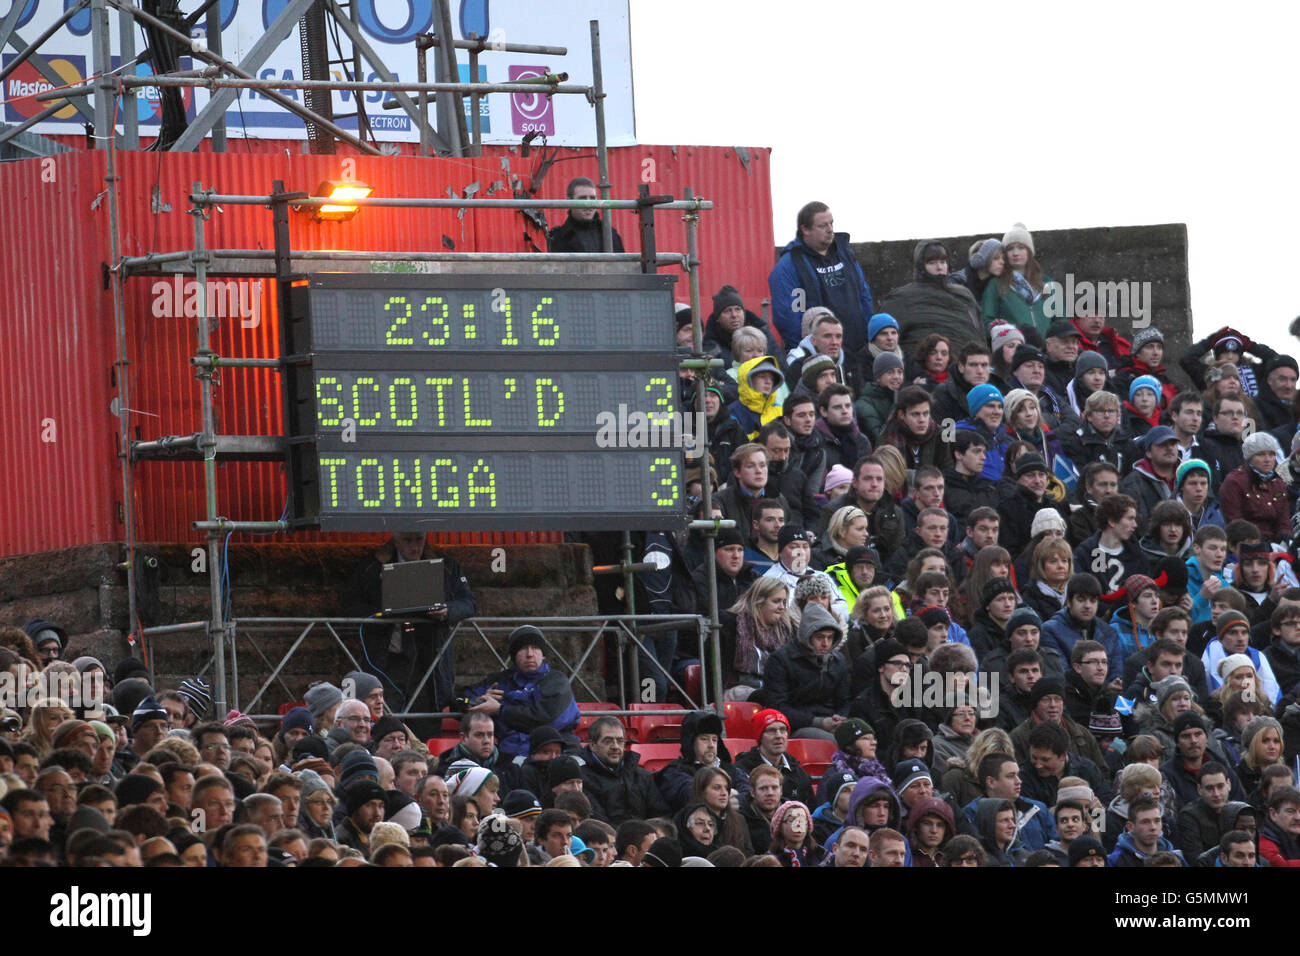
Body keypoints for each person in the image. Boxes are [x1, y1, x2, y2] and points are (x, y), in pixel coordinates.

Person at [341, 531, 476, 732]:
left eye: (419, 540)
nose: (414, 546)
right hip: (387, 661)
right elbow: (349, 604)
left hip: (430, 663)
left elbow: (469, 603)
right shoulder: (370, 568)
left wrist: (447, 611)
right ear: (395, 539)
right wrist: (383, 614)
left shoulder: (447, 566)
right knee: (386, 724)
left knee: (426, 725)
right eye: (407, 540)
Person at [457, 625, 580, 760]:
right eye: (522, 648)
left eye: (535, 648)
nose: (530, 654)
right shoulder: (500, 681)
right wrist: (479, 700)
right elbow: (459, 701)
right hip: (511, 754)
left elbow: (544, 718)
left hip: (560, 752)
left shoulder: (557, 681)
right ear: (514, 656)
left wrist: (500, 710)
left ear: (543, 654)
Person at [768, 202, 875, 353]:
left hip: (858, 350)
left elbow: (864, 295)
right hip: (818, 357)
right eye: (823, 226)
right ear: (805, 229)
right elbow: (788, 317)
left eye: (831, 224)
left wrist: (867, 335)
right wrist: (810, 351)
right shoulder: (789, 266)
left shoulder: (845, 254)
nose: (830, 230)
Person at [753, 604, 850, 740]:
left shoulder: (838, 661)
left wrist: (840, 719)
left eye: (830, 637)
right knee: (833, 743)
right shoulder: (780, 660)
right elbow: (777, 706)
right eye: (820, 637)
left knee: (865, 740)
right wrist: (818, 722)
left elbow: (844, 701)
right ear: (807, 635)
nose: (825, 643)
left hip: (831, 722)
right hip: (794, 727)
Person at [886, 239, 984, 357]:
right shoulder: (902, 298)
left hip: (965, 367)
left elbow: (979, 332)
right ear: (921, 266)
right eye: (932, 263)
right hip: (920, 369)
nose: (939, 267)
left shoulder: (963, 295)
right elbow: (885, 338)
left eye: (943, 262)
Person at [578, 716, 669, 826]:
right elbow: (598, 825)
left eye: (620, 741)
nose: (615, 746)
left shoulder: (642, 776)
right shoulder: (582, 779)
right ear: (592, 745)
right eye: (608, 741)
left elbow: (662, 817)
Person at [960, 752, 1056, 853]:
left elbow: (1057, 845)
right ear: (991, 782)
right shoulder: (971, 814)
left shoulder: (1038, 809)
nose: (1019, 781)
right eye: (1011, 776)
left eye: (1018, 775)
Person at [655, 711, 750, 812]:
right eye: (704, 739)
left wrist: (737, 800)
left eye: (714, 740)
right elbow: (692, 794)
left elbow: (749, 791)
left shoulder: (730, 769)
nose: (711, 745)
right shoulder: (675, 772)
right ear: (691, 742)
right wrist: (732, 794)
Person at [1041, 574, 1123, 685]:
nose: (1087, 606)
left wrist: (1115, 683)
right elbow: (1061, 674)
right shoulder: (1050, 630)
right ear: (1069, 602)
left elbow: (1116, 671)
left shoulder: (1109, 632)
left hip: (1106, 697)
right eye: (1081, 600)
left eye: (1093, 601)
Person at [720, 575, 794, 698]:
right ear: (759, 601)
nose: (782, 607)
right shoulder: (733, 625)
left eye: (784, 602)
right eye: (776, 601)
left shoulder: (785, 631)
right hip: (737, 689)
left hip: (771, 689)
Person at [981, 224, 1052, 336]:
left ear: (1029, 251)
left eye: (1021, 247)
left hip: (1047, 350)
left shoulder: (1048, 284)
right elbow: (987, 321)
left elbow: (1061, 320)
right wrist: (1007, 335)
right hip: (1013, 349)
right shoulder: (996, 285)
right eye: (1010, 249)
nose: (1015, 253)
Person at [733, 709, 815, 806]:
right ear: (760, 737)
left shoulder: (799, 773)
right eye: (771, 730)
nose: (779, 736)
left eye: (783, 730)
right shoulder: (742, 771)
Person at [1220, 432, 1290, 544]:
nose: (1267, 459)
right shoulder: (1234, 482)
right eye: (1261, 454)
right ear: (1250, 457)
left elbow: (1284, 521)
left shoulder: (1278, 483)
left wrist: (1284, 540)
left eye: (1272, 454)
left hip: (1276, 544)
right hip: (1246, 543)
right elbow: (1235, 522)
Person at [703, 285, 783, 372]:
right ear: (717, 318)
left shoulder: (763, 333)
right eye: (727, 311)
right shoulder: (711, 345)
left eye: (738, 309)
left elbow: (781, 368)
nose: (734, 315)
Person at [1179, 326, 1276, 396]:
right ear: (1218, 355)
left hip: (1253, 423)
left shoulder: (1254, 371)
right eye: (1225, 352)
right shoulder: (1208, 374)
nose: (1230, 357)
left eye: (1234, 353)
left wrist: (1250, 345)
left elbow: (1278, 361)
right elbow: (1186, 359)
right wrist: (1210, 341)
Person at [547, 176, 624, 253]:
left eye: (592, 198)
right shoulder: (559, 237)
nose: (588, 204)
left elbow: (623, 264)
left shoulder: (610, 234)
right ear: (569, 202)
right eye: (582, 198)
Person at [1175, 761, 1233, 857]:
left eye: (1220, 786)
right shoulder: (1189, 817)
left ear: (1228, 785)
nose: (1216, 794)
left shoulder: (1238, 811)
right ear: (1199, 789)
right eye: (1209, 788)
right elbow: (1196, 859)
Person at [1108, 795, 1184, 866]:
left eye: (1157, 821)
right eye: (1145, 822)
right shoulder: (1115, 861)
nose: (1153, 827)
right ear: (1130, 827)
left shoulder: (1176, 858)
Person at [727, 356, 785, 441]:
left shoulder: (780, 411)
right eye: (762, 376)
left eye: (772, 378)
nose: (768, 382)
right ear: (748, 380)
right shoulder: (733, 413)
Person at [1199, 395, 1249, 493]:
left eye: (1240, 413)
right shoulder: (1205, 447)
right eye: (1228, 413)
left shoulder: (1249, 451)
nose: (1235, 417)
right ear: (1215, 418)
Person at [1258, 786, 1300, 867]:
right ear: (1273, 814)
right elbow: (1279, 865)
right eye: (1290, 811)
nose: (1298, 817)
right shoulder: (1263, 840)